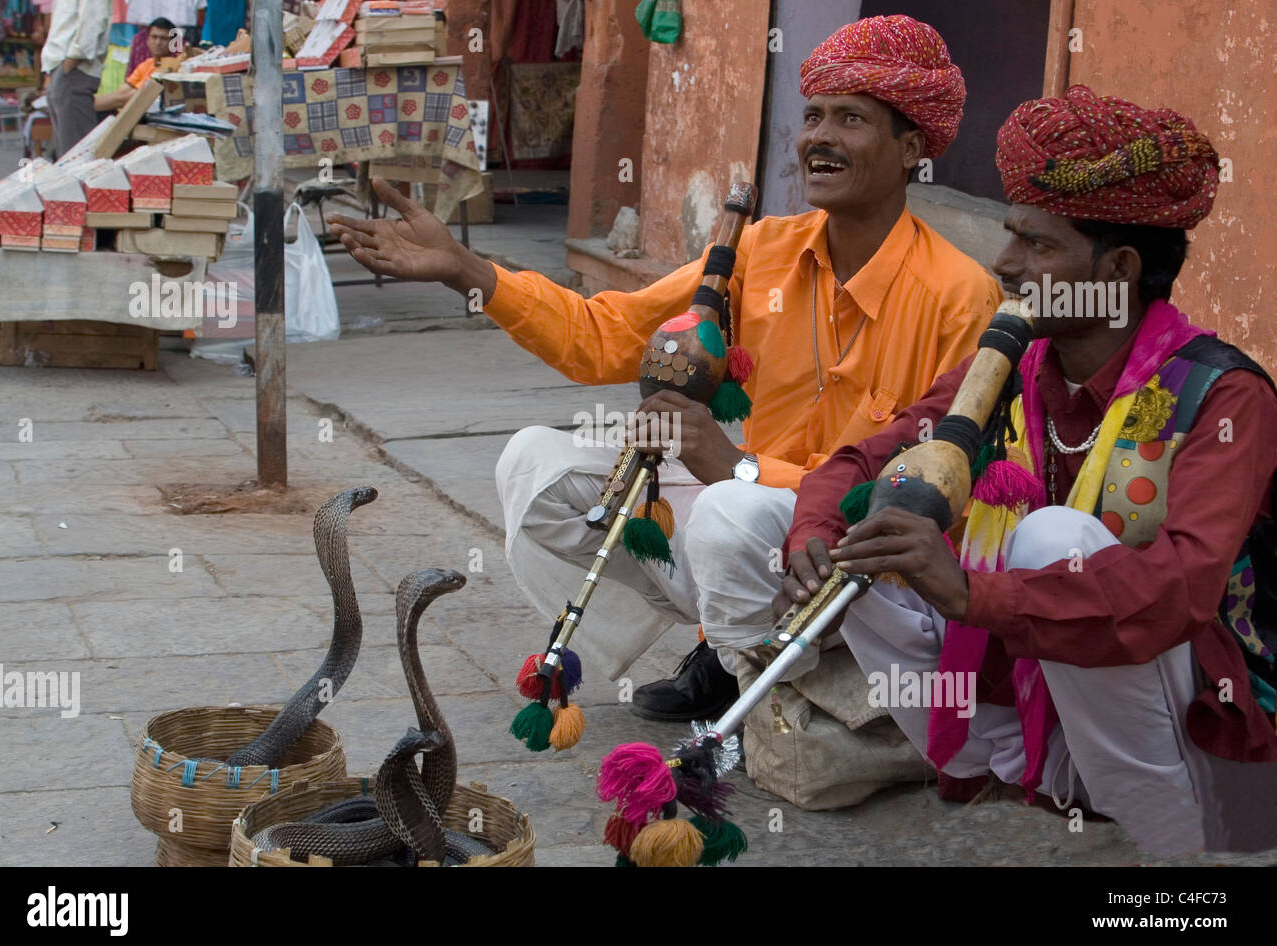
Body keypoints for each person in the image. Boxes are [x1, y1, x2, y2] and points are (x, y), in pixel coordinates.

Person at [328, 16, 998, 736]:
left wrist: (739, 469)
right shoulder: (762, 251)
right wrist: (470, 271)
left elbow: (925, 498)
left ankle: (772, 681)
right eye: (813, 117)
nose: (818, 139)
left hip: (854, 548)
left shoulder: (960, 296)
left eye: (852, 120)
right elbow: (605, 336)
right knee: (539, 467)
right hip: (750, 523)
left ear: (910, 149)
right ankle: (728, 637)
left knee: (725, 512)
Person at [779, 85, 1277, 854]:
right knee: (847, 531)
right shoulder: (1013, 365)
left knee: (1048, 539)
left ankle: (1176, 839)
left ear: (1115, 267)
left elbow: (1182, 585)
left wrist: (975, 592)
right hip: (1034, 684)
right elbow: (864, 457)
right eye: (1010, 236)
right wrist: (816, 529)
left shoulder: (1221, 393)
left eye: (1036, 246)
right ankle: (1009, 767)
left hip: (1189, 714)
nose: (1005, 265)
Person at [41, 0, 111, 157]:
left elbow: (93, 22)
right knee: (67, 152)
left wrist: (71, 61)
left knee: (76, 154)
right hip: (64, 69)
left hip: (75, 70)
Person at [94, 18, 176, 113]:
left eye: (163, 38)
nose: (158, 43)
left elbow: (126, 98)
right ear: (147, 40)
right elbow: (120, 93)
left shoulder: (174, 66)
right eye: (154, 37)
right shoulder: (146, 64)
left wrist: (85, 106)